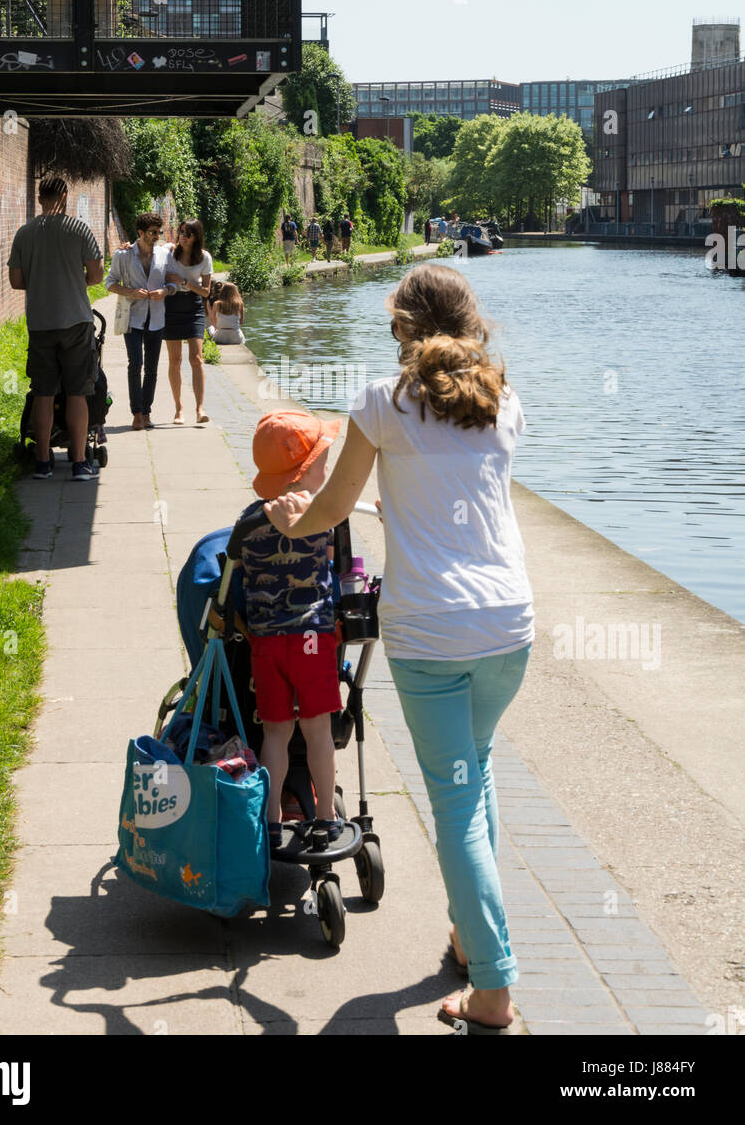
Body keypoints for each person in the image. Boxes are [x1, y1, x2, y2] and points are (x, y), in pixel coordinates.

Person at [263, 262, 534, 1034]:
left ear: (406, 331)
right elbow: (466, 494)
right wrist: (401, 506)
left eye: (392, 329)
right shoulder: (504, 402)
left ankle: (492, 991)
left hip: (433, 634)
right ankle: (468, 932)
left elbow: (328, 508)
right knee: (474, 780)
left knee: (454, 805)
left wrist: (288, 521)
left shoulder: (382, 403)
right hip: (509, 627)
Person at [238, 410, 344, 850]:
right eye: (322, 461)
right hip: (311, 639)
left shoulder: (249, 518)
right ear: (304, 470)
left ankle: (273, 821)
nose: (328, 469)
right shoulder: (322, 516)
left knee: (276, 733)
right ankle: (325, 816)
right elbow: (336, 563)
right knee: (318, 730)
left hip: (266, 642)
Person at [7, 176, 103, 482]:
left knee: (43, 393)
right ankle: (78, 463)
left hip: (41, 323)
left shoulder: (25, 233)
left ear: (40, 198)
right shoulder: (79, 229)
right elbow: (98, 275)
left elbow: (16, 281)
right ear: (64, 196)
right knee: (78, 393)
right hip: (76, 321)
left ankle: (43, 463)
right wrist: (76, 282)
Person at [105, 212, 171, 430]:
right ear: (140, 233)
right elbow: (110, 283)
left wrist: (165, 291)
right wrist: (131, 292)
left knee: (151, 368)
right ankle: (136, 413)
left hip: (156, 319)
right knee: (135, 364)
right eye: (152, 233)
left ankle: (147, 411)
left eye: (158, 233)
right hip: (133, 318)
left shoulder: (164, 254)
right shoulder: (123, 255)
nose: (156, 237)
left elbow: (173, 283)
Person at [162, 219, 213, 425]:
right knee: (175, 360)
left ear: (196, 237)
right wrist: (127, 248)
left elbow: (206, 291)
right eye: (181, 232)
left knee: (197, 358)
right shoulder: (168, 251)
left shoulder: (204, 258)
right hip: (171, 306)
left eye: (188, 234)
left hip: (193, 307)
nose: (182, 236)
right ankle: (178, 409)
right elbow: (144, 249)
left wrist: (183, 282)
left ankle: (200, 409)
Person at [208, 280, 246, 345]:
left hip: (220, 337)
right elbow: (241, 322)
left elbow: (214, 322)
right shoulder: (240, 304)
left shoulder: (216, 304)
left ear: (223, 291)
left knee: (210, 328)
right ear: (235, 292)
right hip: (236, 337)